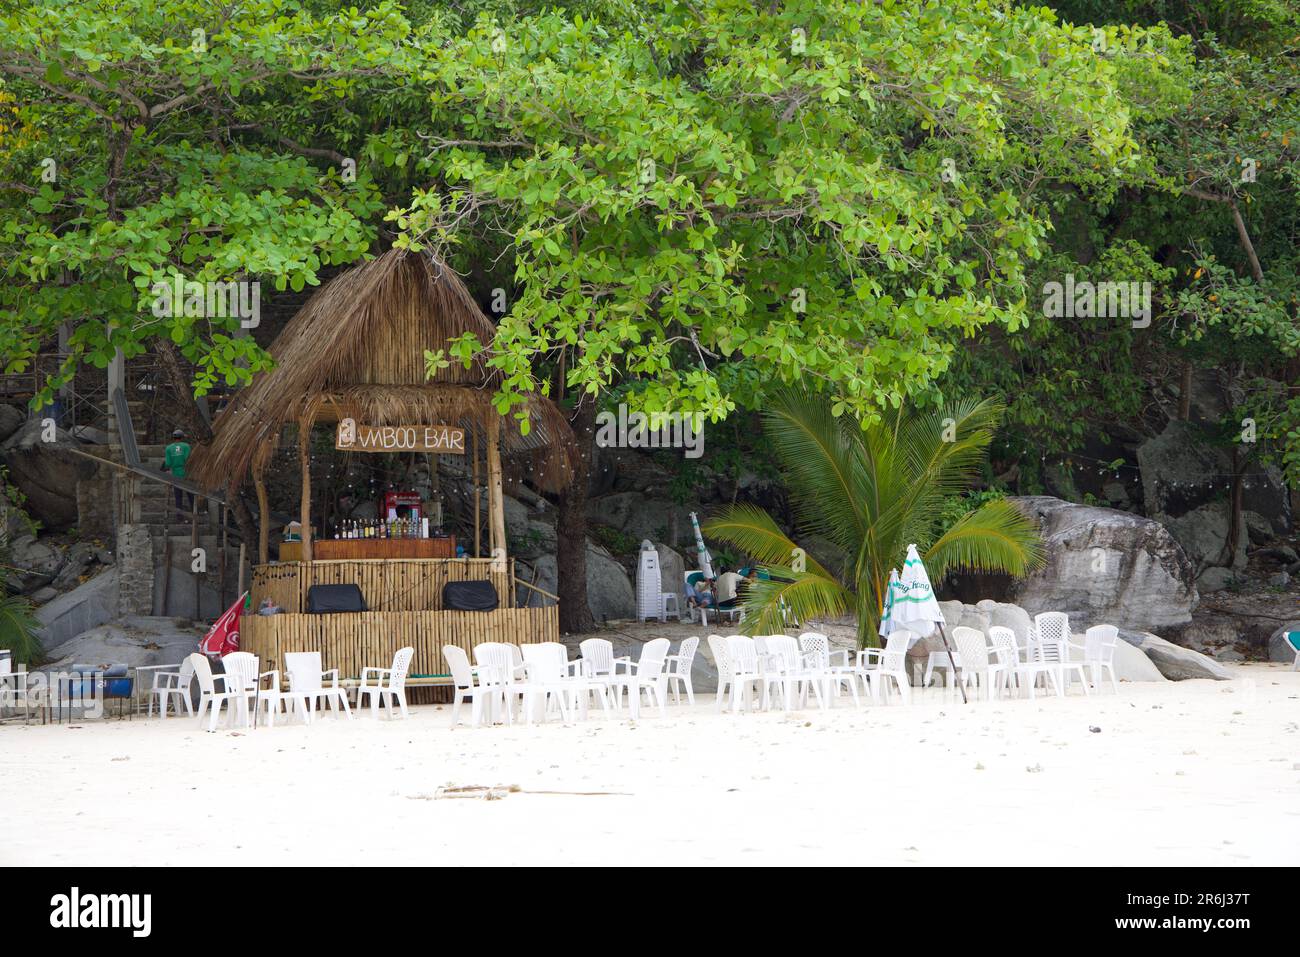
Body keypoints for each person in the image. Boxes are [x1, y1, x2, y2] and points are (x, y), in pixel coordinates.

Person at [162, 428, 194, 520]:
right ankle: (194, 513)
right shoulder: (186, 446)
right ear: (182, 437)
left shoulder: (169, 448)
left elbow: (167, 463)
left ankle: (179, 516)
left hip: (175, 475)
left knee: (178, 496)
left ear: (173, 438)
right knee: (191, 495)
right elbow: (188, 459)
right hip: (186, 473)